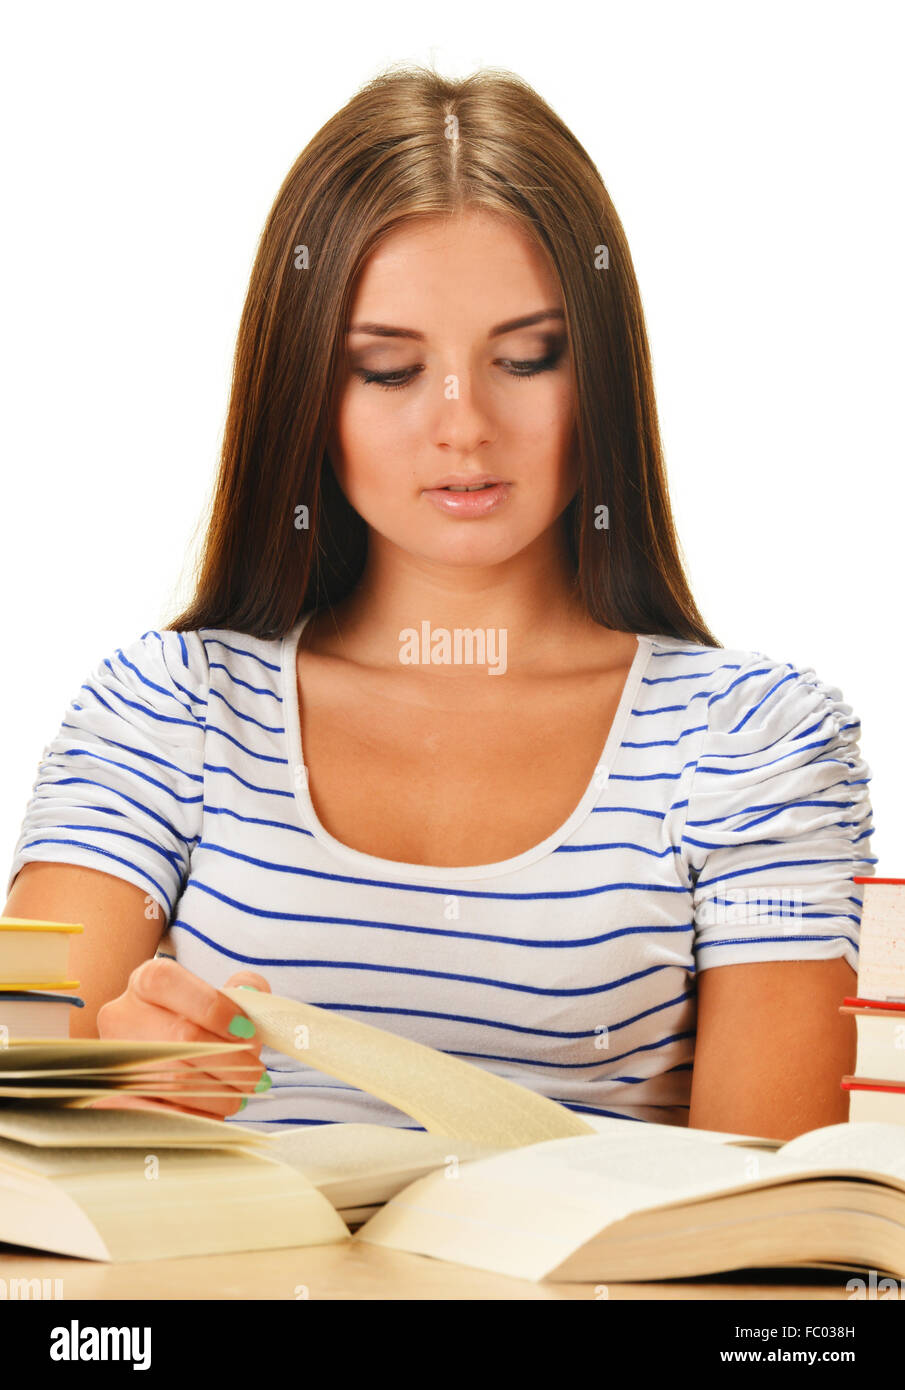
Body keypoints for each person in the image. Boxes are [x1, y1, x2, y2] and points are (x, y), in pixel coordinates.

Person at [3, 66, 876, 1142]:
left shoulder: (756, 745)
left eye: (524, 357)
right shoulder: (165, 708)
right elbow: (21, 1094)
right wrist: (96, 1086)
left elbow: (766, 1229)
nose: (462, 426)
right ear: (304, 389)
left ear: (595, 371)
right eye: (387, 368)